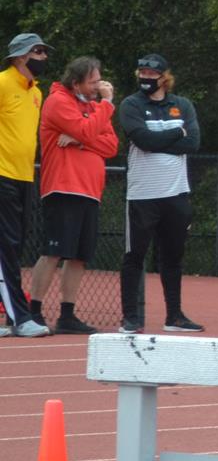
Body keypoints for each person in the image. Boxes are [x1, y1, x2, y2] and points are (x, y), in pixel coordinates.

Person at [29, 56, 119, 334]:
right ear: (76, 81)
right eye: (92, 82)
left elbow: (112, 145)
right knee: (53, 252)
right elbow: (88, 129)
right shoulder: (58, 102)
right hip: (63, 187)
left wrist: (81, 140)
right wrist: (105, 107)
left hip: (90, 190)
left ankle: (67, 315)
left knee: (79, 257)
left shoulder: (93, 107)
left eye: (98, 81)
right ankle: (33, 312)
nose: (97, 87)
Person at [117, 52, 204, 333]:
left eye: (152, 74)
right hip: (142, 196)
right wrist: (176, 135)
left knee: (173, 257)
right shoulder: (131, 105)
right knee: (135, 256)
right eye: (142, 73)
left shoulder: (183, 106)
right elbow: (142, 140)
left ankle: (175, 317)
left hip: (176, 194)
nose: (146, 78)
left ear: (165, 77)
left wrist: (163, 141)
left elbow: (193, 144)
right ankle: (131, 318)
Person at [1, 33, 55, 338]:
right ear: (21, 56)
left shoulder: (37, 92)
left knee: (16, 244)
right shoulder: (2, 83)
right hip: (2, 175)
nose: (43, 57)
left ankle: (11, 317)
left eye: (44, 52)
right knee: (6, 247)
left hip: (24, 177)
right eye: (38, 52)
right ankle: (19, 317)